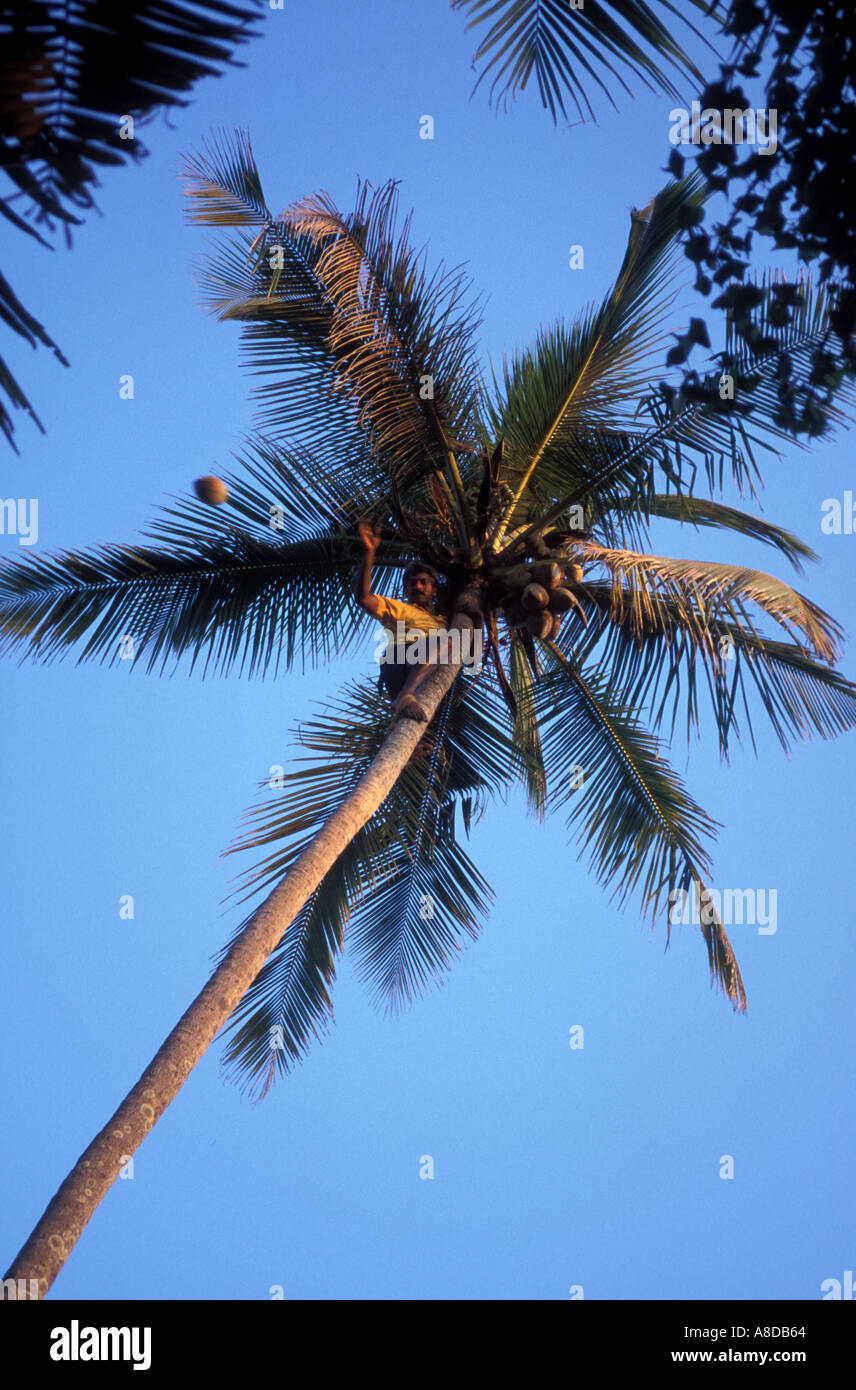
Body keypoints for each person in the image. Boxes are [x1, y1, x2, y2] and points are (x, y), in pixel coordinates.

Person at [355, 520, 448, 723]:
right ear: (405, 590)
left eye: (423, 582)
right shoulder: (399, 608)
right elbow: (364, 599)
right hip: (398, 661)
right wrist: (369, 553)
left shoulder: (444, 620)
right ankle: (405, 697)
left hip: (421, 671)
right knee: (449, 642)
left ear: (435, 590)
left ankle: (415, 745)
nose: (418, 586)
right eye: (412, 583)